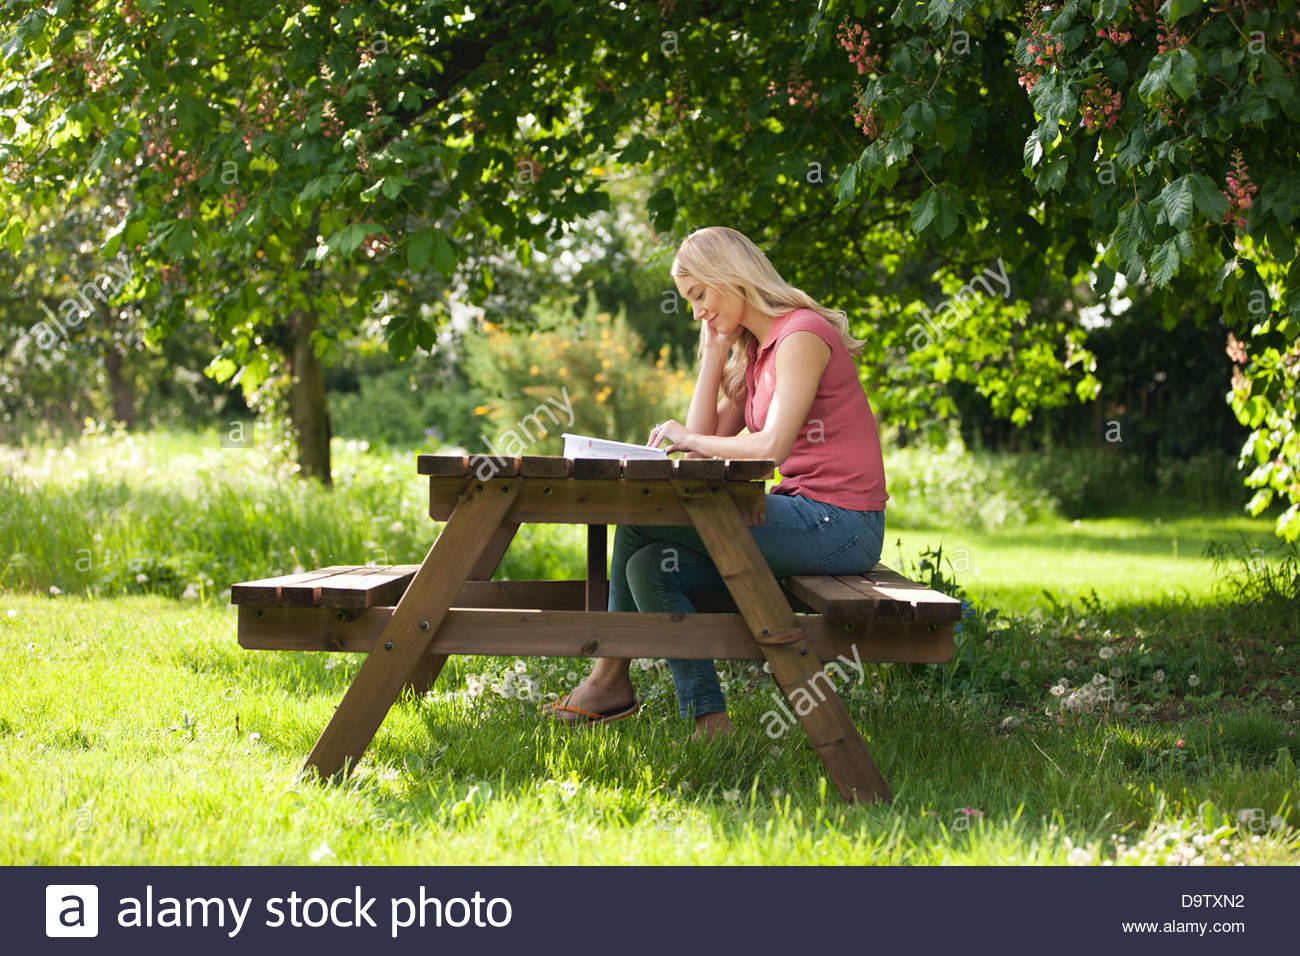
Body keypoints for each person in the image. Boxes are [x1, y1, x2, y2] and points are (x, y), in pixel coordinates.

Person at [542, 226, 888, 739]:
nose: (698, 311)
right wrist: (712, 353)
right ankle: (710, 719)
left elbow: (768, 447)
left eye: (700, 295)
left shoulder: (802, 335)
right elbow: (700, 438)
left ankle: (608, 679)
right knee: (648, 568)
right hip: (800, 515)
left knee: (639, 523)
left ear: (731, 275)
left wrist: (690, 438)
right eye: (690, 302)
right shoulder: (756, 352)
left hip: (841, 526)